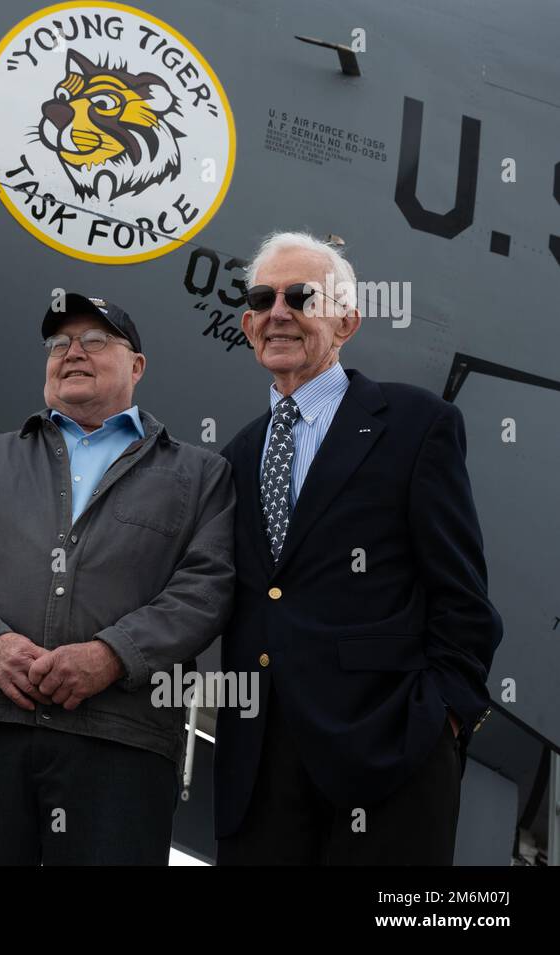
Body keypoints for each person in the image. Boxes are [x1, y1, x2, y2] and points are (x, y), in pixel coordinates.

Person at [0, 293, 235, 864]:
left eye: (94, 341)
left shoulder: (200, 475)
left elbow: (205, 588)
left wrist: (113, 655)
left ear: (136, 366)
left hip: (121, 743)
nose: (72, 353)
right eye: (59, 344)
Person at [214, 231, 502, 864]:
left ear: (346, 320)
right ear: (247, 323)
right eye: (263, 298)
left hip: (389, 756)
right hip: (258, 771)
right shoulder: (233, 456)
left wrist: (442, 720)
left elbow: (462, 596)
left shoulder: (416, 425)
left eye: (301, 296)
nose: (278, 311)